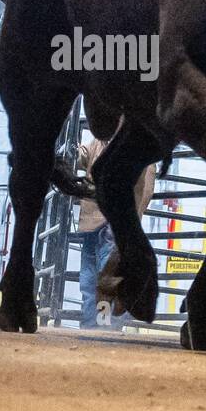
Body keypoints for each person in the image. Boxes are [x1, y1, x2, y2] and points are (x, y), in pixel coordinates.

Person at [75, 137, 156, 329]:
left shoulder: (135, 145)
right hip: (97, 224)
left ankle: (105, 328)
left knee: (103, 279)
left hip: (111, 224)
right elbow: (81, 156)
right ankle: (93, 328)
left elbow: (144, 191)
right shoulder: (100, 141)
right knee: (92, 280)